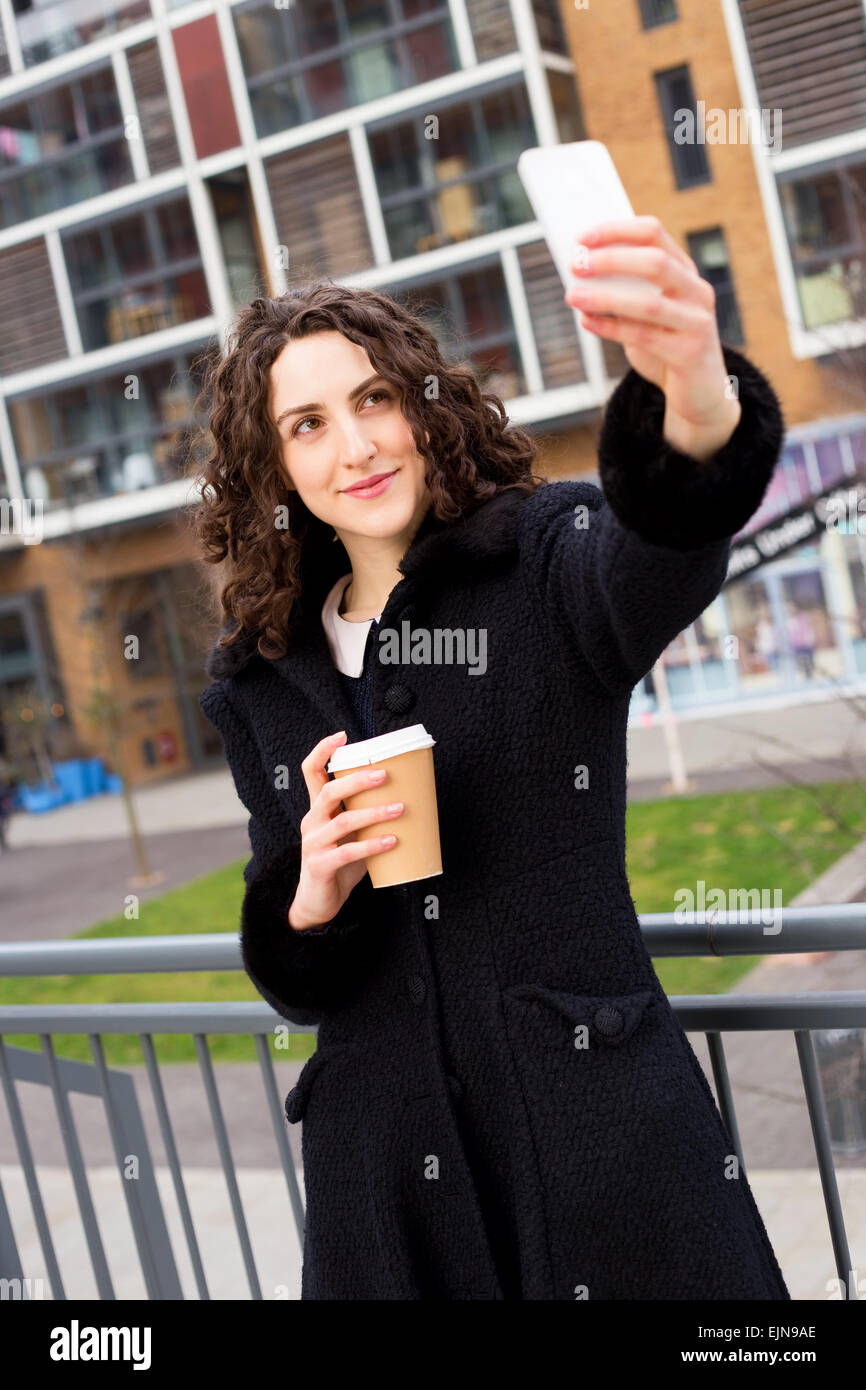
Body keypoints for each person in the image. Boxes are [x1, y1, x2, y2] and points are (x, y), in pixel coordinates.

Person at [194, 215, 791, 1301]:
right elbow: (294, 966)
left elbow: (660, 551)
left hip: (595, 1141)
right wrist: (312, 891)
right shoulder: (258, 681)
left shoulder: (545, 558)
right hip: (384, 1181)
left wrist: (695, 397)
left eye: (375, 399)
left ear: (424, 407)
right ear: (273, 465)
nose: (357, 446)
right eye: (309, 424)